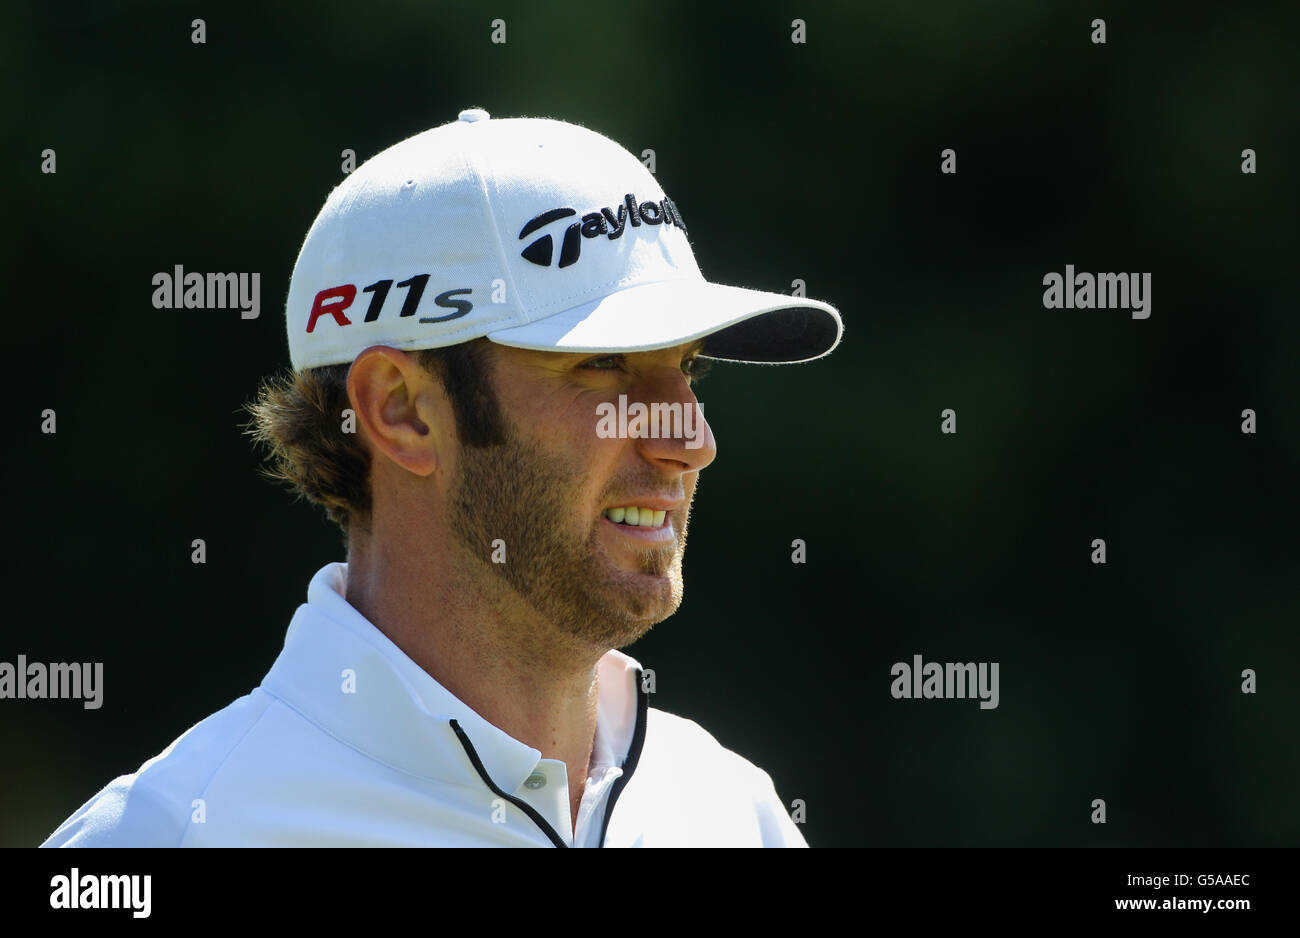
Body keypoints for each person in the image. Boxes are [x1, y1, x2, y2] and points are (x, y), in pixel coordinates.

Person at [41, 108, 842, 847]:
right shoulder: (164, 837)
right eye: (602, 368)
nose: (691, 441)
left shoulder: (731, 811)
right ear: (399, 411)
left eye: (688, 370)